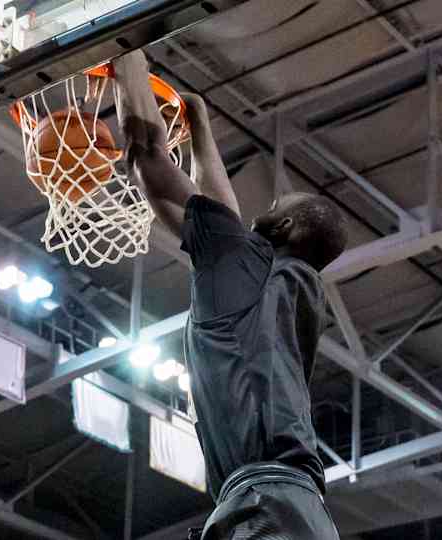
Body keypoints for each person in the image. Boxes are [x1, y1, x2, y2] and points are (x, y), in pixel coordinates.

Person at [113, 49, 347, 540]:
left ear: (283, 225)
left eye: (277, 202)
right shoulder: (281, 288)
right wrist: (198, 122)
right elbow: (222, 211)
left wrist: (124, 56)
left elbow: (147, 153)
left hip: (269, 503)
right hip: (289, 506)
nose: (268, 204)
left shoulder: (245, 266)